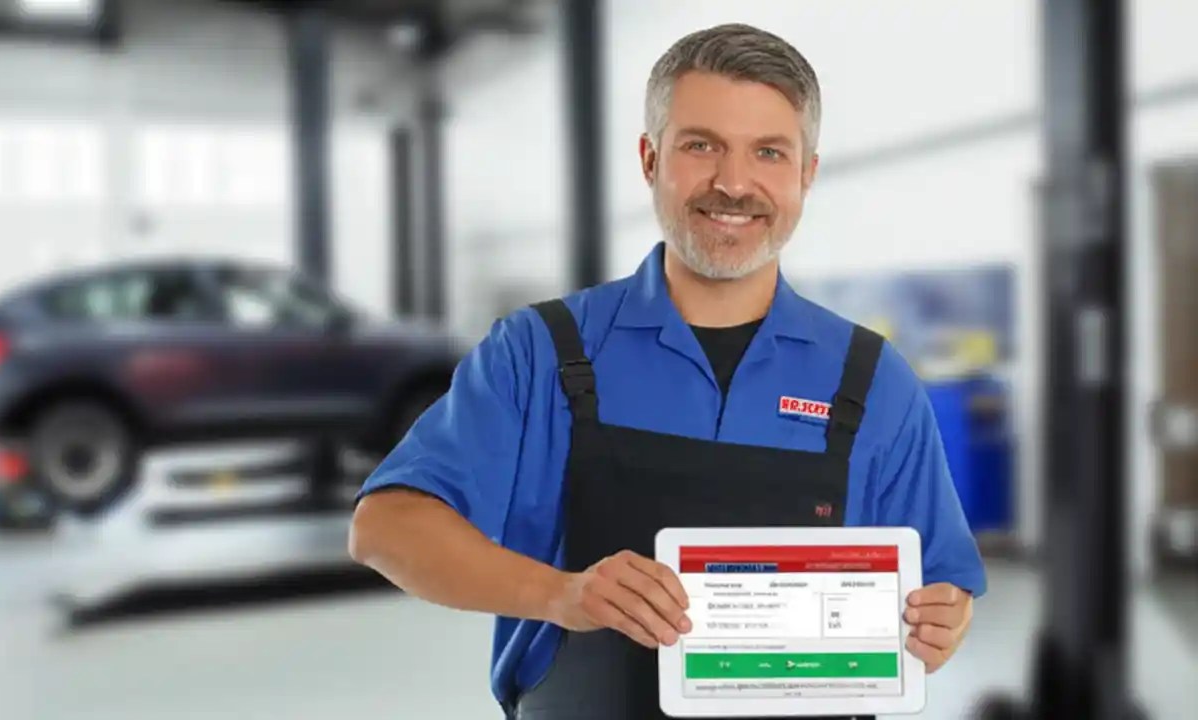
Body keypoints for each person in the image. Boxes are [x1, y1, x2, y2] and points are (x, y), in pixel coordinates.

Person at [350, 22, 986, 720]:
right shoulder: (540, 352)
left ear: (806, 173)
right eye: (701, 145)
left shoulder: (871, 379)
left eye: (768, 152)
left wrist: (943, 620)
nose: (734, 183)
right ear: (651, 158)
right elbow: (388, 527)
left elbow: (940, 590)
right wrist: (561, 595)